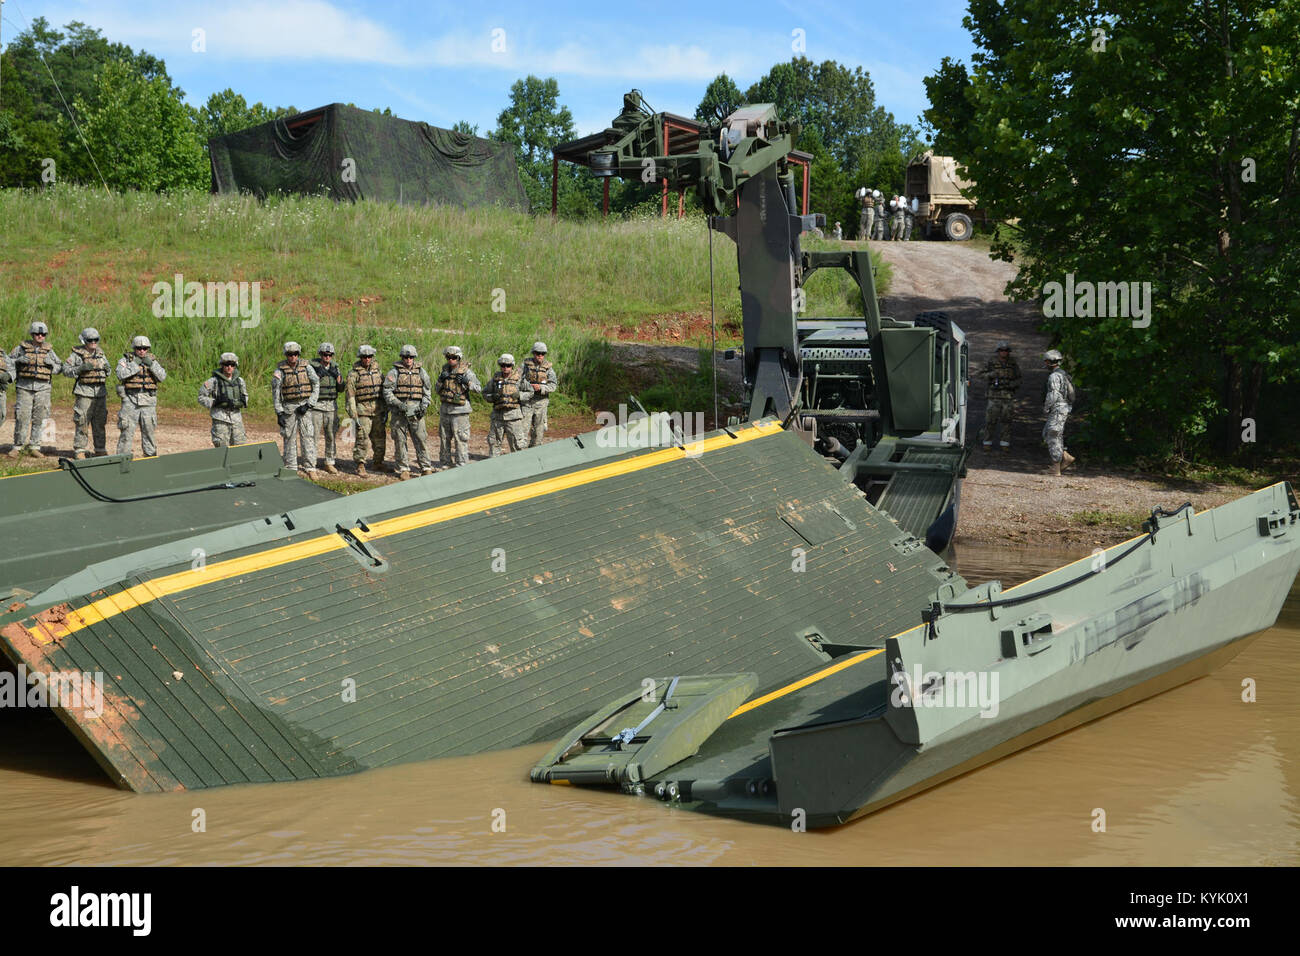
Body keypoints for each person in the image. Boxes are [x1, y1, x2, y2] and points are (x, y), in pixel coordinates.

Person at [7, 321, 61, 458]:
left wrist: (51, 364)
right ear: (32, 334)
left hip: (43, 388)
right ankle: (18, 446)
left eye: (43, 334)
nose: (40, 336)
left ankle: (35, 446)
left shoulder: (49, 351)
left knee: (40, 417)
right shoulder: (21, 349)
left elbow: (60, 367)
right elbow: (7, 362)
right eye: (37, 333)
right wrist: (19, 360)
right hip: (24, 387)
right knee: (22, 416)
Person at [383, 344, 432, 479]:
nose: (408, 359)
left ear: (414, 358)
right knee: (400, 441)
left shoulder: (421, 372)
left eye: (411, 357)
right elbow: (387, 392)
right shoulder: (394, 372)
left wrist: (424, 406)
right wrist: (399, 404)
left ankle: (425, 466)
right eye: (406, 357)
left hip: (416, 412)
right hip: (400, 413)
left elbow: (427, 391)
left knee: (421, 439)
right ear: (402, 357)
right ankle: (403, 468)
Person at [271, 340, 319, 476]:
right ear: (286, 355)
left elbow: (316, 385)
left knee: (308, 435)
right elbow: (275, 393)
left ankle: (310, 467)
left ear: (298, 354)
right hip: (288, 406)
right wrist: (279, 412)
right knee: (289, 436)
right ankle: (291, 467)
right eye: (290, 354)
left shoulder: (307, 368)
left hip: (305, 405)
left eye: (295, 354)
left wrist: (309, 404)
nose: (293, 357)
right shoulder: (280, 371)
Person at [62, 327, 110, 458]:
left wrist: (107, 369)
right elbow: (65, 369)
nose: (93, 342)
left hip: (100, 393)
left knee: (100, 421)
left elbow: (108, 370)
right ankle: (80, 449)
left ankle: (100, 449)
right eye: (90, 340)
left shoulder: (101, 354)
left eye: (96, 340)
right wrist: (80, 369)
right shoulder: (77, 355)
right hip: (84, 392)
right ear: (84, 341)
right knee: (82, 421)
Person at [114, 335, 166, 457]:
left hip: (148, 402)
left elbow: (162, 377)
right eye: (139, 348)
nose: (142, 351)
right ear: (134, 348)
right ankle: (122, 460)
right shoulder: (125, 361)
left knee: (149, 433)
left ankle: (150, 458)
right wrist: (134, 365)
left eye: (145, 348)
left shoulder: (153, 361)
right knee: (126, 433)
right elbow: (120, 375)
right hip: (130, 401)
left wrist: (151, 365)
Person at [435, 345, 480, 468]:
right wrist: (440, 380)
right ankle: (445, 463)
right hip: (445, 410)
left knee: (460, 439)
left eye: (454, 357)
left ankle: (461, 464)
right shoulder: (444, 372)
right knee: (444, 439)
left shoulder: (467, 372)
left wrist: (467, 382)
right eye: (448, 357)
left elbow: (478, 389)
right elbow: (437, 390)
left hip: (460, 411)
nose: (451, 360)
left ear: (458, 358)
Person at [345, 344, 387, 477]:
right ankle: (360, 465)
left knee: (380, 437)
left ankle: (378, 462)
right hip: (362, 410)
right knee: (362, 438)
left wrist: (386, 409)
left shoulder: (378, 372)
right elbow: (350, 395)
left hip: (378, 410)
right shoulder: (354, 374)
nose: (367, 359)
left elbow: (384, 392)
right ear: (360, 357)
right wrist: (353, 413)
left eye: (369, 356)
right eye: (364, 357)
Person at [482, 353, 532, 457]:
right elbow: (485, 393)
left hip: (513, 416)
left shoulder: (519, 379)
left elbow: (530, 392)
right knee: (494, 443)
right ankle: (494, 465)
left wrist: (519, 395)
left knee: (517, 444)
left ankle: (518, 466)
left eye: (508, 365)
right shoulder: (495, 379)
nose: (505, 368)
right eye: (503, 365)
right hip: (497, 416)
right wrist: (492, 397)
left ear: (512, 366)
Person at [198, 352, 249, 447]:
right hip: (220, 419)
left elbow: (245, 396)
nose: (229, 367)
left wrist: (241, 402)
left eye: (232, 364)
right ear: (222, 365)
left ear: (235, 366)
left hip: (236, 419)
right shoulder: (213, 381)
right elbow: (201, 397)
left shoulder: (240, 381)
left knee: (240, 447)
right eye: (226, 364)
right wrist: (214, 402)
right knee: (222, 448)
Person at [980, 342, 1021, 450]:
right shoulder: (991, 362)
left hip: (1008, 397)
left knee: (1007, 421)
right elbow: (981, 375)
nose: (1004, 352)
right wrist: (991, 375)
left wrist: (1013, 384)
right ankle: (987, 443)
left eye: (1006, 350)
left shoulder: (1013, 363)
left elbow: (1019, 378)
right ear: (998, 351)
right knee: (990, 421)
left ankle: (1005, 444)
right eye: (1002, 350)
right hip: (994, 397)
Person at [1042, 349, 1077, 476]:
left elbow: (1054, 394)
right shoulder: (1063, 374)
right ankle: (1065, 457)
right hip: (1063, 408)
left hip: (1057, 408)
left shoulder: (1054, 376)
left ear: (1049, 362)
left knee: (1053, 435)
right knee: (1051, 433)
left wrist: (1046, 407)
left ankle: (1055, 467)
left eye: (1046, 361)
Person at [310, 342, 342, 474]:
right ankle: (311, 463)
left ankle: (329, 462)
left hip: (331, 406)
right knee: (313, 436)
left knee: (331, 436)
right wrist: (318, 376)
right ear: (320, 355)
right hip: (317, 406)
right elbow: (308, 385)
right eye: (324, 354)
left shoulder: (335, 368)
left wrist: (338, 378)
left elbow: (341, 388)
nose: (327, 357)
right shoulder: (312, 368)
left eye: (329, 355)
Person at [520, 342, 557, 448]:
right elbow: (516, 379)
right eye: (537, 353)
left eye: (542, 353)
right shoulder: (525, 366)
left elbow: (553, 385)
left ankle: (535, 454)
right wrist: (528, 386)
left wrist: (541, 388)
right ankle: (520, 456)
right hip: (527, 402)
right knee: (522, 431)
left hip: (541, 403)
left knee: (538, 432)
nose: (540, 356)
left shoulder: (548, 369)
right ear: (533, 353)